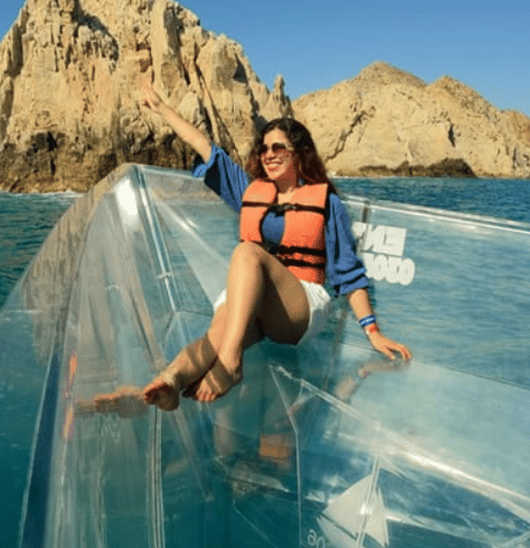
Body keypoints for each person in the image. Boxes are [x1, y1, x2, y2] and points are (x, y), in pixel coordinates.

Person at [138, 78, 411, 410]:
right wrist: (161, 108)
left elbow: (348, 274)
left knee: (246, 253)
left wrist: (373, 332)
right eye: (263, 148)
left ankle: (230, 364)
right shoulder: (251, 192)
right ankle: (170, 380)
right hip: (256, 302)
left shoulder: (326, 203)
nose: (268, 154)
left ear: (297, 153)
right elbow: (208, 149)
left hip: (300, 307)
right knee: (216, 335)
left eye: (278, 147)